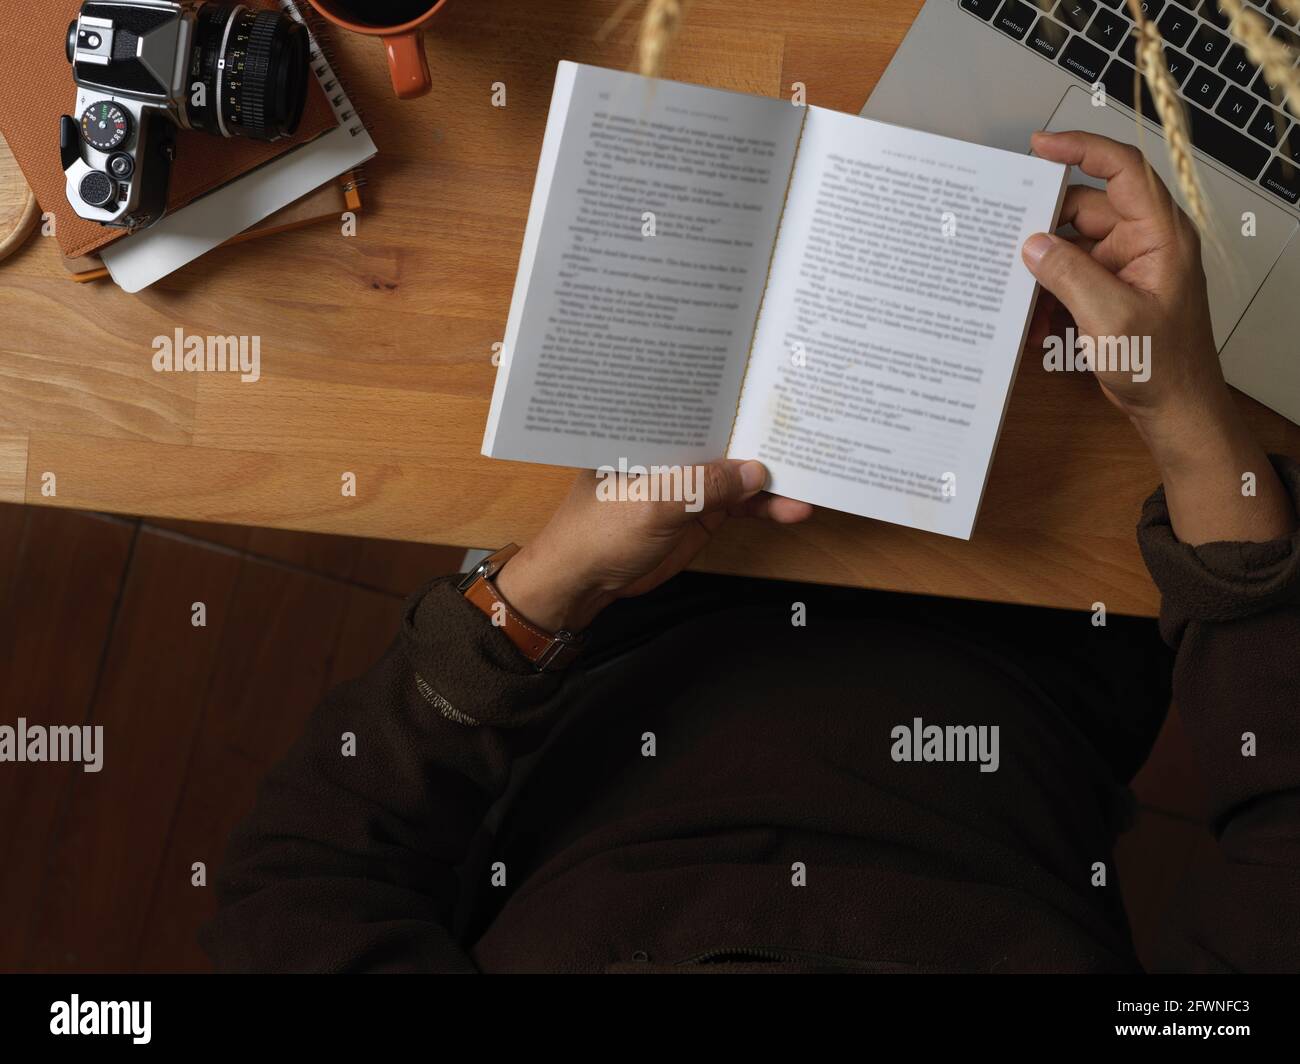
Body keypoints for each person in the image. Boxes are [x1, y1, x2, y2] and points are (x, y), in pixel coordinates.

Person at [202, 132, 1299, 973]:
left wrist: (547, 584)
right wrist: (1193, 420)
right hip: (1060, 633)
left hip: (627, 609)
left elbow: (303, 875)